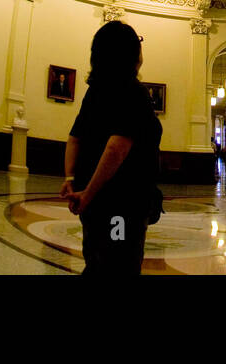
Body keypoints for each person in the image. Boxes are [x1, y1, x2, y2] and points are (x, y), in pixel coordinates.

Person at [62, 21, 162, 276]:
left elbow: (75, 137)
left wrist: (71, 179)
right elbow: (116, 148)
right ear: (130, 52)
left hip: (93, 201)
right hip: (122, 205)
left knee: (97, 261)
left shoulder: (94, 92)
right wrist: (89, 194)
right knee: (120, 263)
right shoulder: (134, 92)